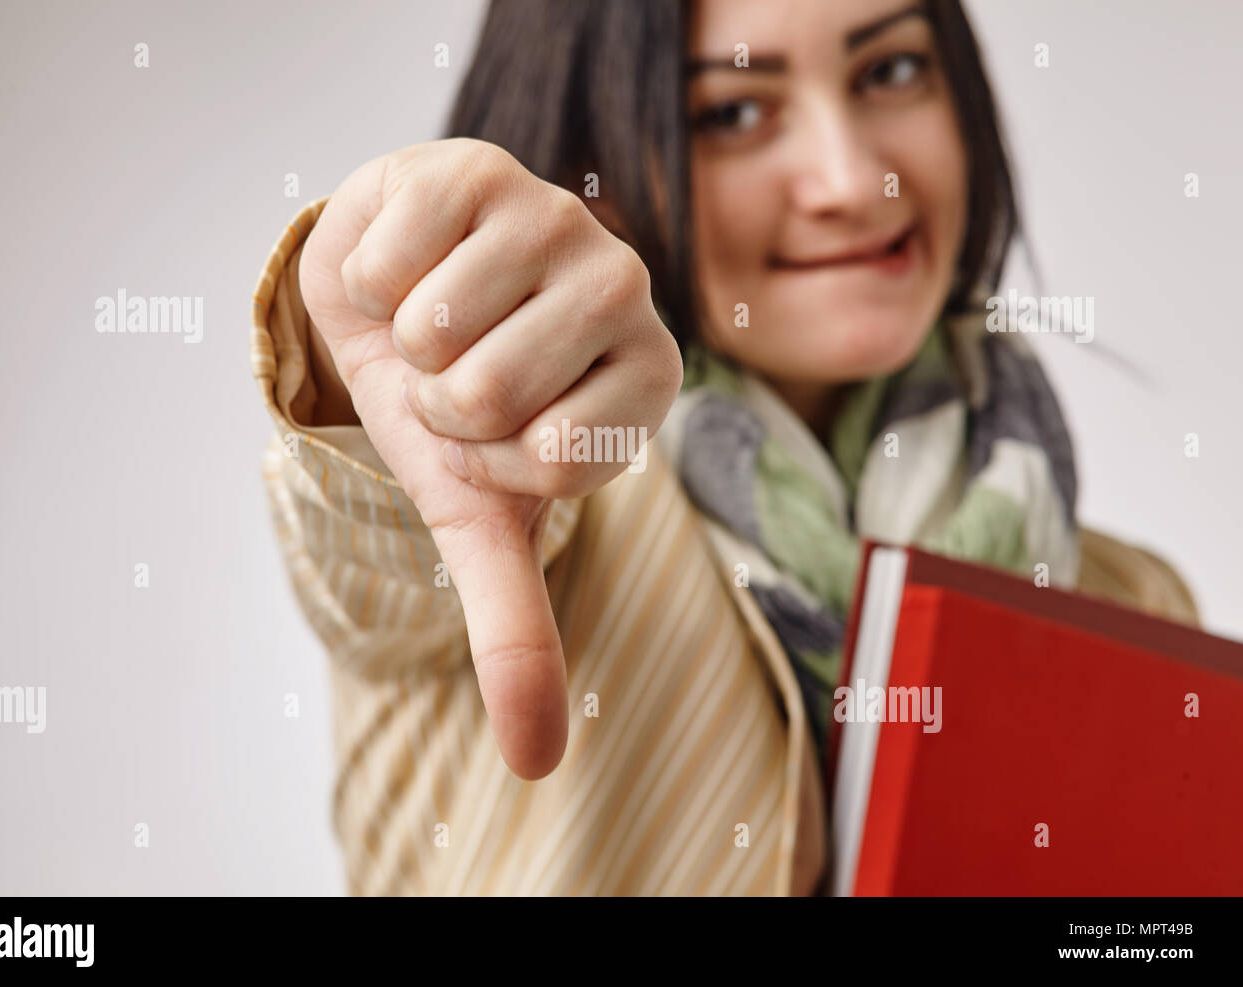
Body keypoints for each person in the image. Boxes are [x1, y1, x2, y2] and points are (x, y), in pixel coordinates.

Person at [249, 0, 1198, 895]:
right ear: (592, 164)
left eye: (892, 69)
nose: (854, 181)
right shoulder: (534, 502)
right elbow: (370, 519)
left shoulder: (1133, 607)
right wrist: (367, 319)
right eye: (735, 110)